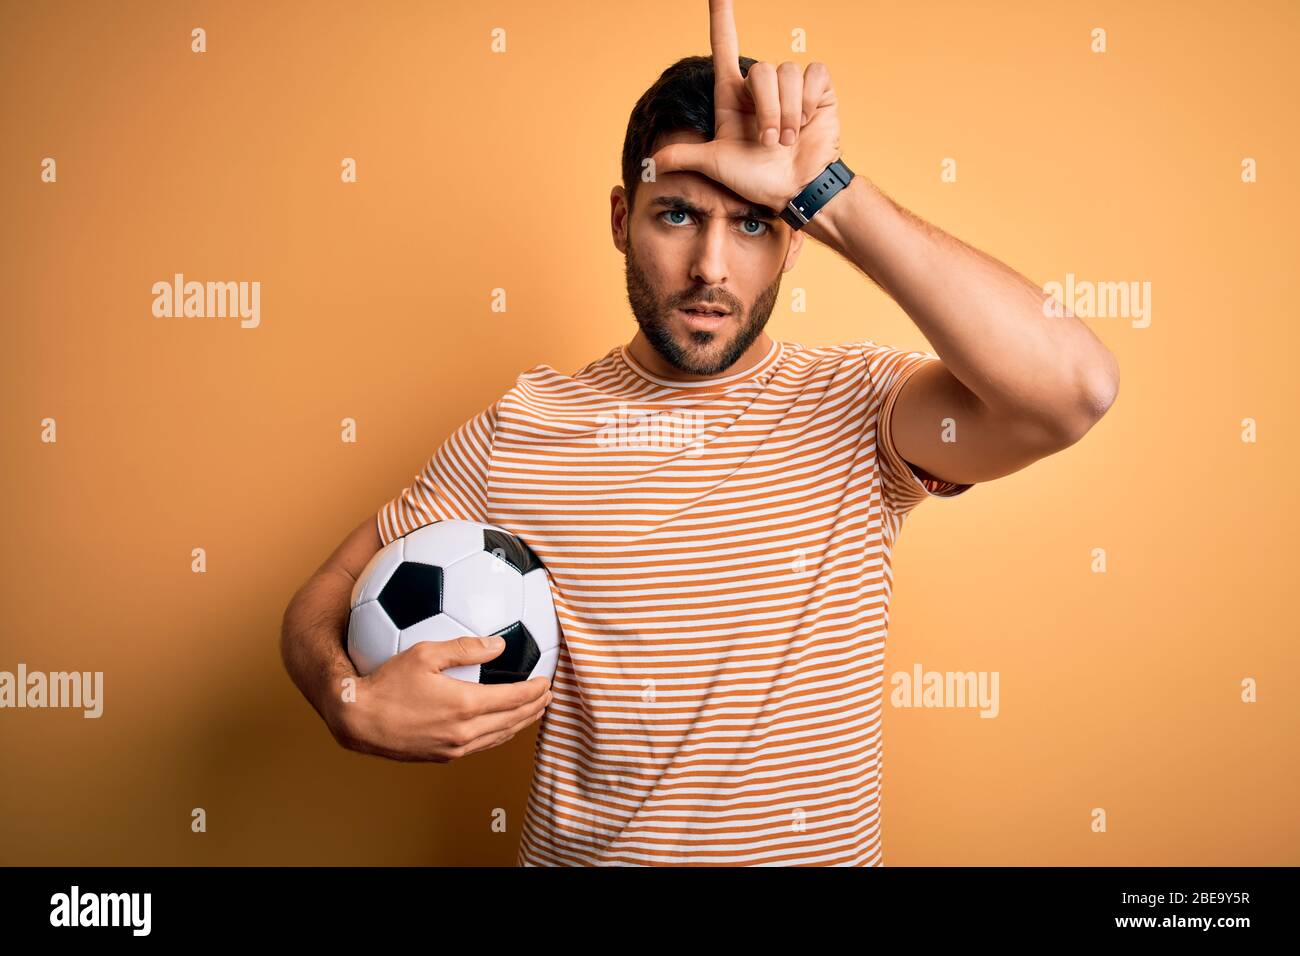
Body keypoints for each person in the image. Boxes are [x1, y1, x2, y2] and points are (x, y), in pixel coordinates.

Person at [280, 1, 1118, 866]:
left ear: (794, 247)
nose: (712, 266)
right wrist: (342, 696)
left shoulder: (862, 408)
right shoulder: (522, 429)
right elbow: (324, 594)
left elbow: (1073, 391)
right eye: (677, 214)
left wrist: (824, 189)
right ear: (621, 219)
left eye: (754, 223)